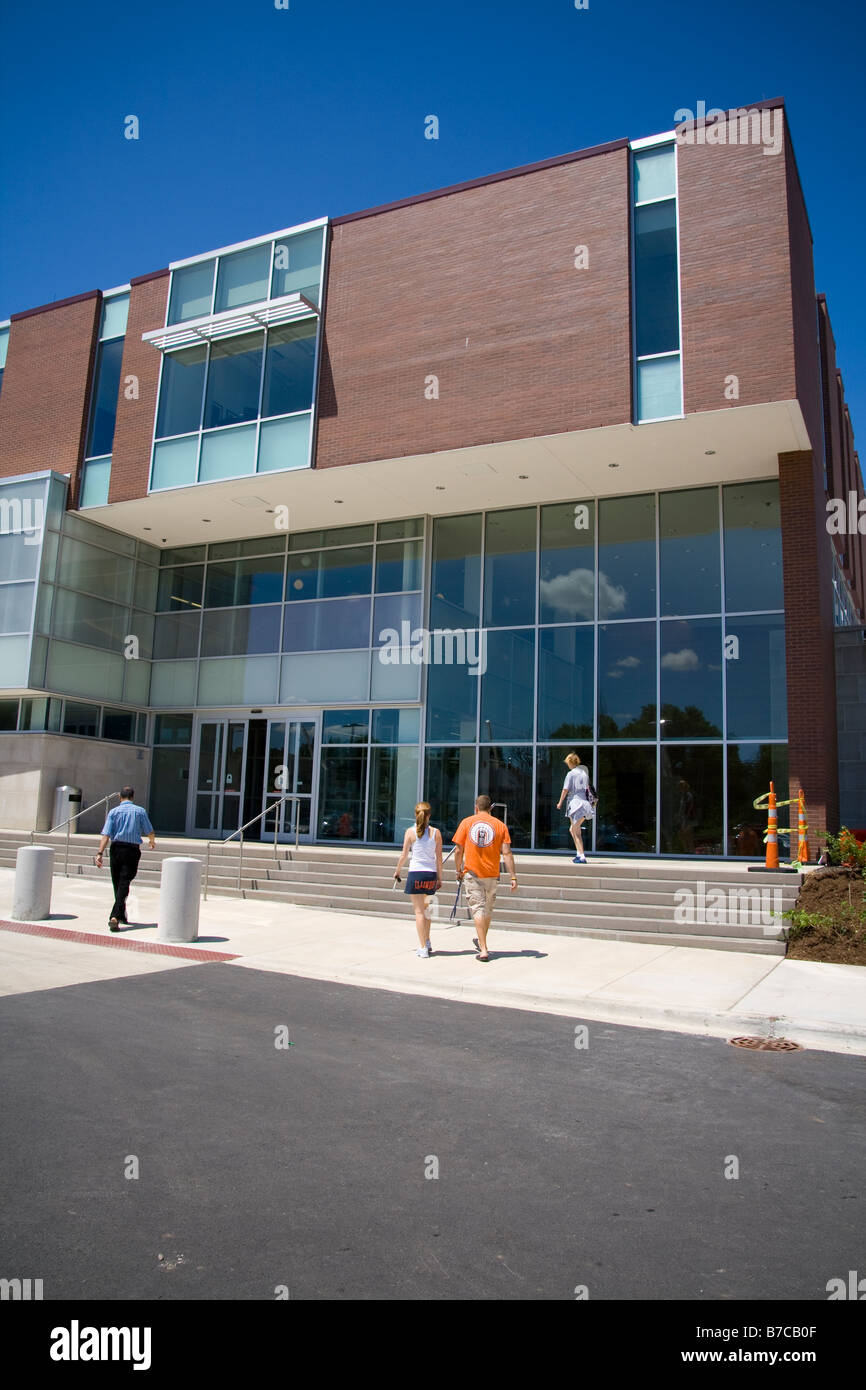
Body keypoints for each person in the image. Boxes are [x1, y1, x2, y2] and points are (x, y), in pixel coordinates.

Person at [452, 795, 517, 962]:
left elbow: (458, 849)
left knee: (478, 909)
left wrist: (458, 869)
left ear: (476, 807)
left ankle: (483, 948)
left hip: (472, 872)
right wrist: (513, 876)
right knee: (487, 910)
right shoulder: (500, 826)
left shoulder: (466, 823)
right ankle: (483, 942)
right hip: (492, 874)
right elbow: (507, 853)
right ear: (491, 808)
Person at [96, 787, 156, 931]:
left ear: (119, 797)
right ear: (133, 796)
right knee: (123, 883)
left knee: (118, 882)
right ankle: (115, 916)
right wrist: (152, 841)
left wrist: (99, 853)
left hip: (116, 849)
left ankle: (120, 915)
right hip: (131, 850)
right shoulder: (139, 811)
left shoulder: (113, 812)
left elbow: (106, 834)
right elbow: (149, 830)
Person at [393, 802, 443, 958]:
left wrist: (397, 871)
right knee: (427, 911)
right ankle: (427, 941)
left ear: (416, 814)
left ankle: (422, 948)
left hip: (416, 873)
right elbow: (439, 858)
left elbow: (404, 855)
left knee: (419, 912)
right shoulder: (436, 833)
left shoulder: (410, 832)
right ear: (429, 815)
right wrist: (440, 878)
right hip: (430, 875)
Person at [556, 752, 594, 864]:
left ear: (570, 762)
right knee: (574, 829)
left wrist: (560, 802)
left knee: (574, 830)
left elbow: (565, 789)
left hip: (575, 804)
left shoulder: (571, 774)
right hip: (585, 804)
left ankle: (582, 856)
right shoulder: (583, 773)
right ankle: (578, 853)